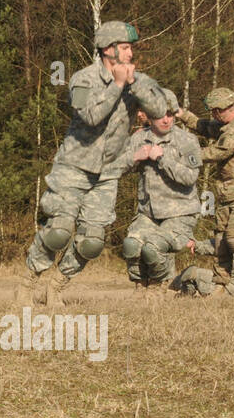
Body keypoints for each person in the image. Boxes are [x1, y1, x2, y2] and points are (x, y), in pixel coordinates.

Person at [16, 21, 167, 312]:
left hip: (108, 172)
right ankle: (28, 282)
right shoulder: (81, 80)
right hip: (73, 167)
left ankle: (57, 285)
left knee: (92, 242)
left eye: (130, 47)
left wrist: (134, 85)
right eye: (125, 47)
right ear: (108, 50)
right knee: (59, 231)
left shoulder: (139, 80)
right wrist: (119, 85)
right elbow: (90, 117)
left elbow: (160, 111)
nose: (130, 52)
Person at [176, 87, 234, 295]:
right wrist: (182, 115)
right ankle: (220, 284)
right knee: (220, 242)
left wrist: (183, 156)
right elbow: (205, 126)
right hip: (228, 193)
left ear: (227, 108)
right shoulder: (227, 125)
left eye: (216, 112)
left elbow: (218, 152)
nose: (214, 116)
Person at [121, 88, 201, 291]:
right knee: (131, 245)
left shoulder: (187, 141)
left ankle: (160, 286)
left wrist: (162, 158)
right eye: (159, 115)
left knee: (153, 248)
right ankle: (141, 287)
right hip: (149, 213)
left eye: (170, 114)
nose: (166, 120)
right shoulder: (139, 138)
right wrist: (134, 158)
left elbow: (190, 177)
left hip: (180, 213)